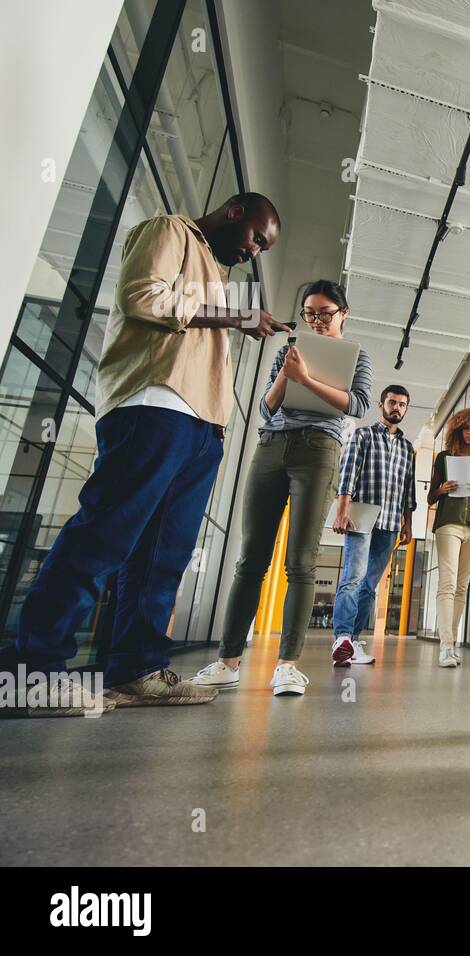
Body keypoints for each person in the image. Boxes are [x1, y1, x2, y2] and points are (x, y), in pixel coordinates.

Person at [0, 194, 286, 717]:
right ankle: (32, 672)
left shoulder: (215, 276)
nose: (253, 252)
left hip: (202, 424)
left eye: (262, 248)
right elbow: (143, 297)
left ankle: (136, 670)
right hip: (155, 403)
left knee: (164, 555)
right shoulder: (169, 231)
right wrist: (236, 315)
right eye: (255, 238)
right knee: (105, 535)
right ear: (234, 212)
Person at [192, 280, 371, 697]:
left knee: (301, 561)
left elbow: (359, 404)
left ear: (343, 313)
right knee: (250, 558)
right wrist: (289, 375)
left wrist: (306, 381)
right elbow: (265, 407)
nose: (317, 320)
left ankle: (287, 665)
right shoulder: (287, 348)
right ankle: (227, 661)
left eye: (326, 313)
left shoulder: (357, 356)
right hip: (270, 447)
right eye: (310, 313)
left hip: (319, 449)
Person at [329, 384, 418, 667]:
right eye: (392, 402)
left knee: (369, 586)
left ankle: (352, 642)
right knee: (352, 578)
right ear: (381, 405)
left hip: (391, 522)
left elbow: (409, 490)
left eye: (402, 404)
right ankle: (341, 637)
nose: (397, 408)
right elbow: (348, 474)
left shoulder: (407, 447)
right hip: (361, 517)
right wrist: (342, 511)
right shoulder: (363, 435)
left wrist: (408, 523)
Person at [427, 409, 470, 668]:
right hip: (448, 524)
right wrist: (441, 489)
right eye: (466, 428)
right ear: (458, 430)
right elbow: (430, 498)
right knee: (447, 583)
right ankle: (445, 646)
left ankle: (452, 643)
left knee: (461, 586)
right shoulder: (444, 458)